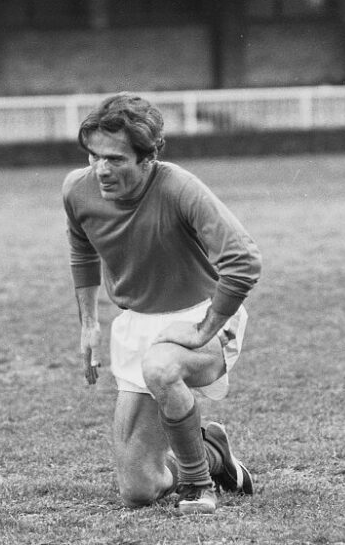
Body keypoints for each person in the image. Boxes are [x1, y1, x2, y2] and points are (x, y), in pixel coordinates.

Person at [61, 93, 261, 514]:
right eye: (94, 156)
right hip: (137, 324)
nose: (101, 168)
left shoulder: (178, 187)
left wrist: (205, 328)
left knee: (162, 367)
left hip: (201, 315)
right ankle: (212, 452)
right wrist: (89, 325)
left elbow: (243, 260)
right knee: (140, 489)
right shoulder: (77, 190)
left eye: (115, 159)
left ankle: (198, 484)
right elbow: (82, 249)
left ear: (147, 158)